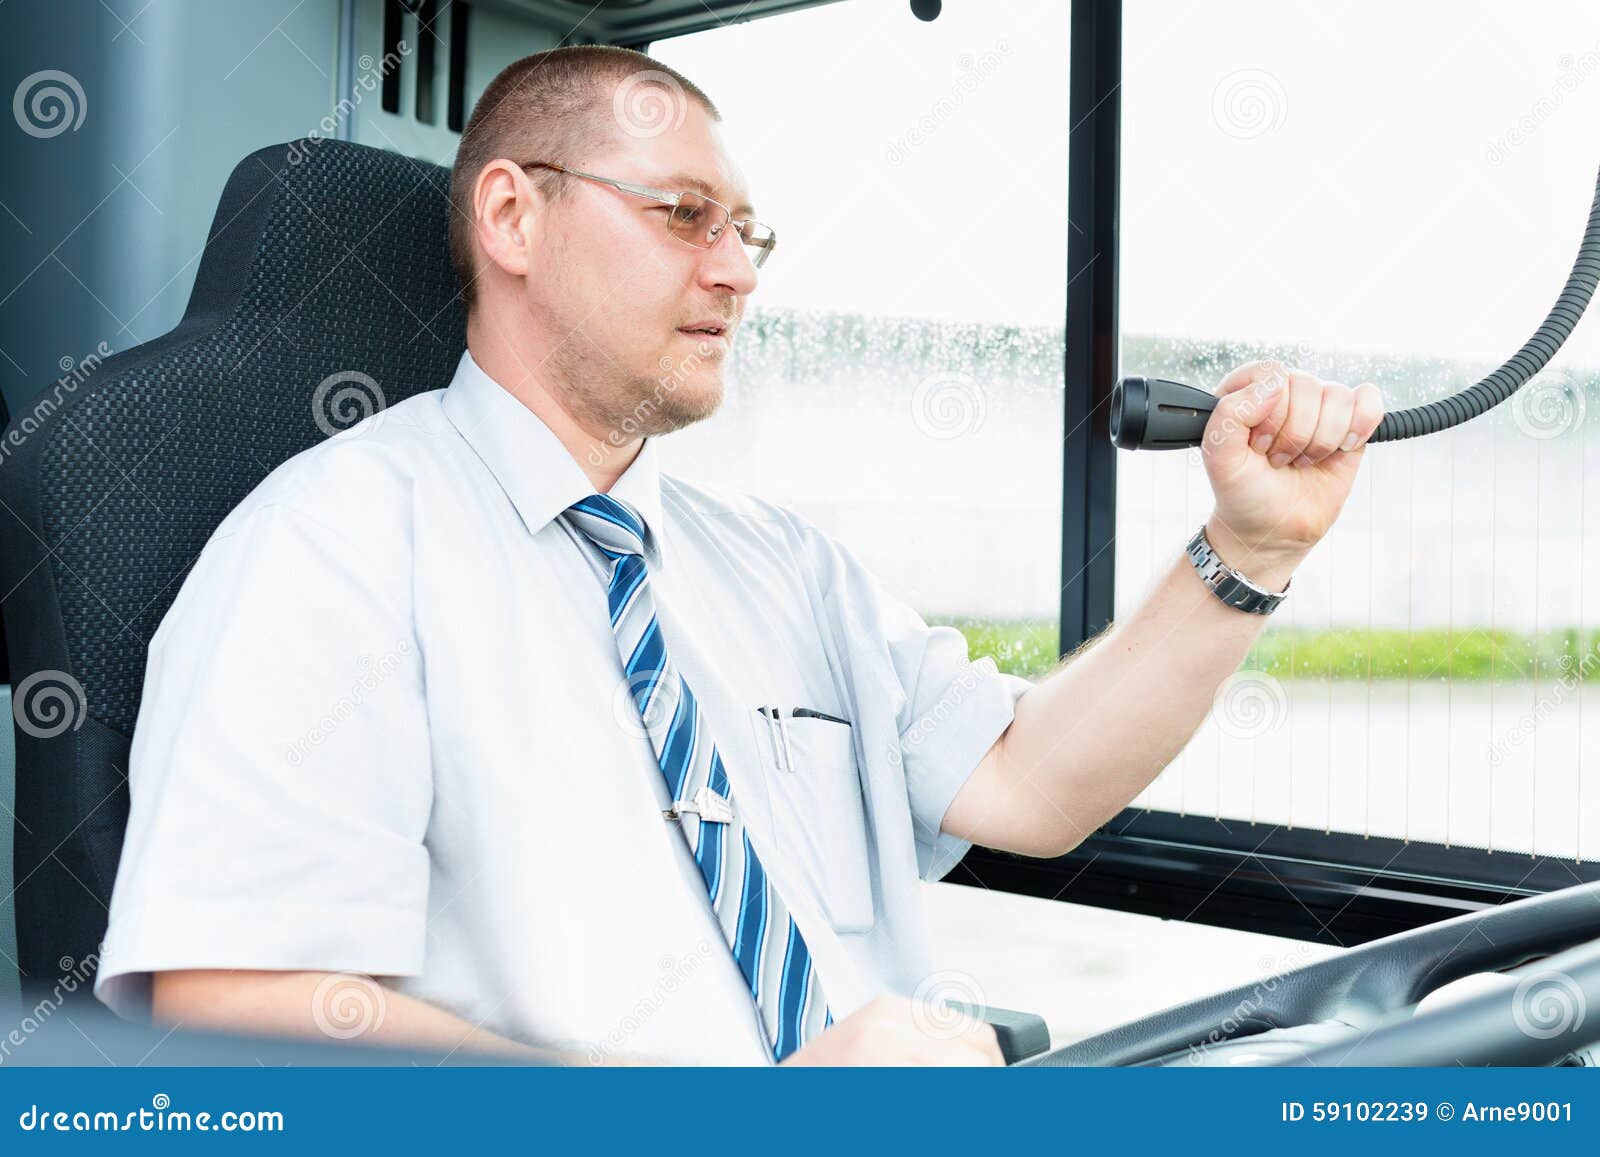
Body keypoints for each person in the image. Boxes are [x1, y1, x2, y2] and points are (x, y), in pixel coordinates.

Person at [93, 45, 1384, 1066]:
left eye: (746, 232)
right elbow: (237, 1000)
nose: (736, 272)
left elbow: (1025, 784)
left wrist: (1247, 548)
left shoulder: (780, 564)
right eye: (684, 216)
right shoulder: (330, 552)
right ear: (513, 217)